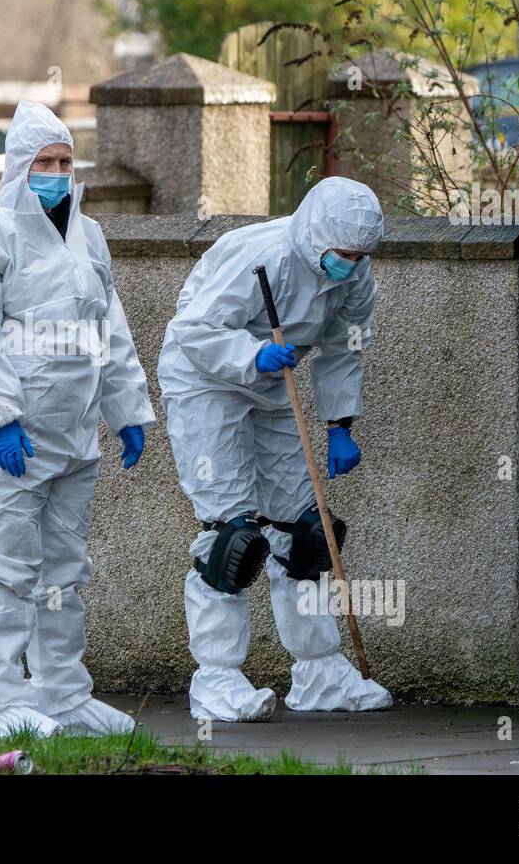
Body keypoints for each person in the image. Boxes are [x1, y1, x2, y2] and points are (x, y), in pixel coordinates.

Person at [0, 101, 156, 739]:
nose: (58, 173)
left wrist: (127, 408)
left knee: (64, 573)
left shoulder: (88, 237)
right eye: (44, 162)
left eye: (65, 161)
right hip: (13, 441)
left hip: (76, 437)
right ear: (18, 168)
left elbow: (109, 330)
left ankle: (62, 694)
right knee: (3, 569)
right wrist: (2, 418)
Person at [157, 177, 394, 720]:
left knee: (306, 532)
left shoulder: (354, 276)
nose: (352, 265)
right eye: (343, 254)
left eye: (362, 256)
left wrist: (339, 424)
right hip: (206, 381)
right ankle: (217, 681)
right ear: (317, 238)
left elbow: (343, 349)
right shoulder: (262, 257)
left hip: (272, 384)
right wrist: (251, 353)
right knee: (230, 536)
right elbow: (193, 329)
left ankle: (320, 672)